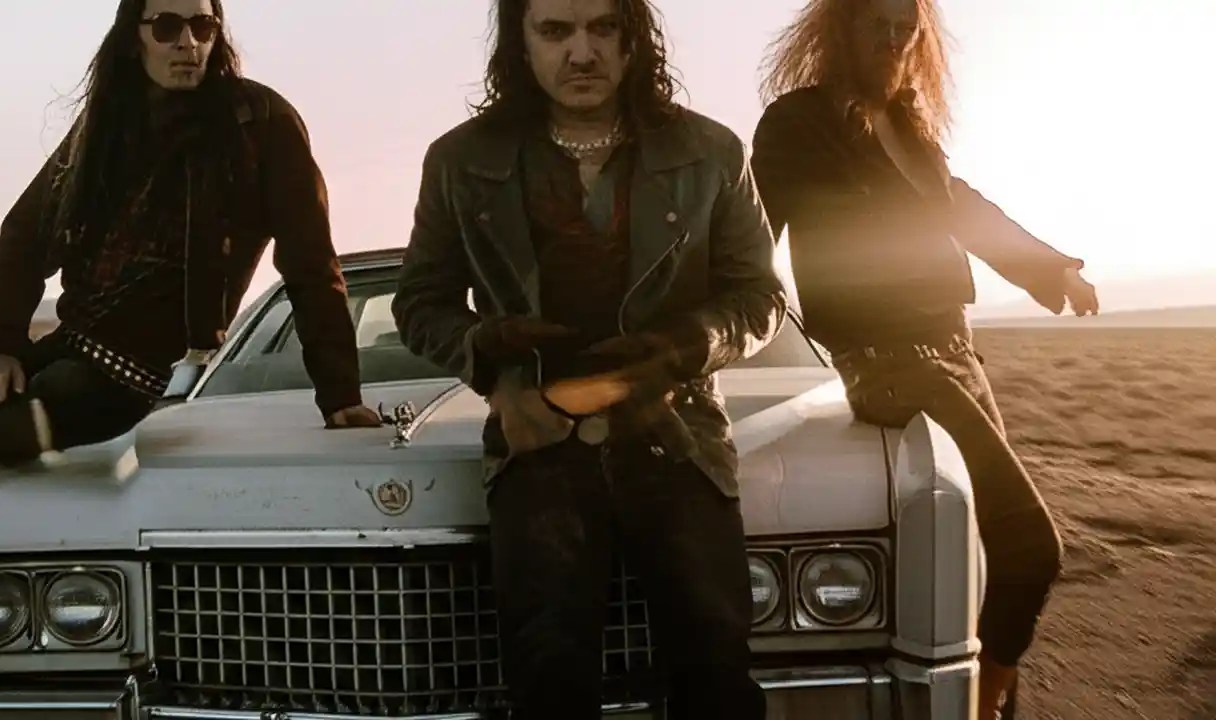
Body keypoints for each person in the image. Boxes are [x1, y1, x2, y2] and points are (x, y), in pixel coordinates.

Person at [392, 0, 787, 715]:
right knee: (548, 683)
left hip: (679, 435)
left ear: (634, 42)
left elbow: (759, 296)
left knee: (716, 675)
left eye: (603, 28)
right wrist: (490, 362)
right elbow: (420, 302)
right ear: (521, 42)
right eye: (555, 30)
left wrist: (682, 348)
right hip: (537, 439)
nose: (582, 52)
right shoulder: (460, 160)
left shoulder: (711, 152)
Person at [749, 0, 1100, 716]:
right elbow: (747, 237)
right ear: (838, 30)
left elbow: (963, 208)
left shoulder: (911, 129)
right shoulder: (797, 126)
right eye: (874, 25)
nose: (890, 41)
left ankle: (985, 699)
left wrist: (1051, 269)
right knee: (1034, 550)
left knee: (984, 561)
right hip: (886, 358)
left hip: (956, 351)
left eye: (903, 29)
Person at [0, 0, 382, 463]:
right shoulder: (106, 124)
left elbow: (310, 264)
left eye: (203, 26)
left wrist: (341, 396)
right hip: (70, 346)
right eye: (167, 27)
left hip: (149, 378)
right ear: (134, 38)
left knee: (9, 428)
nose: (188, 43)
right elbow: (24, 236)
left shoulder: (259, 122)